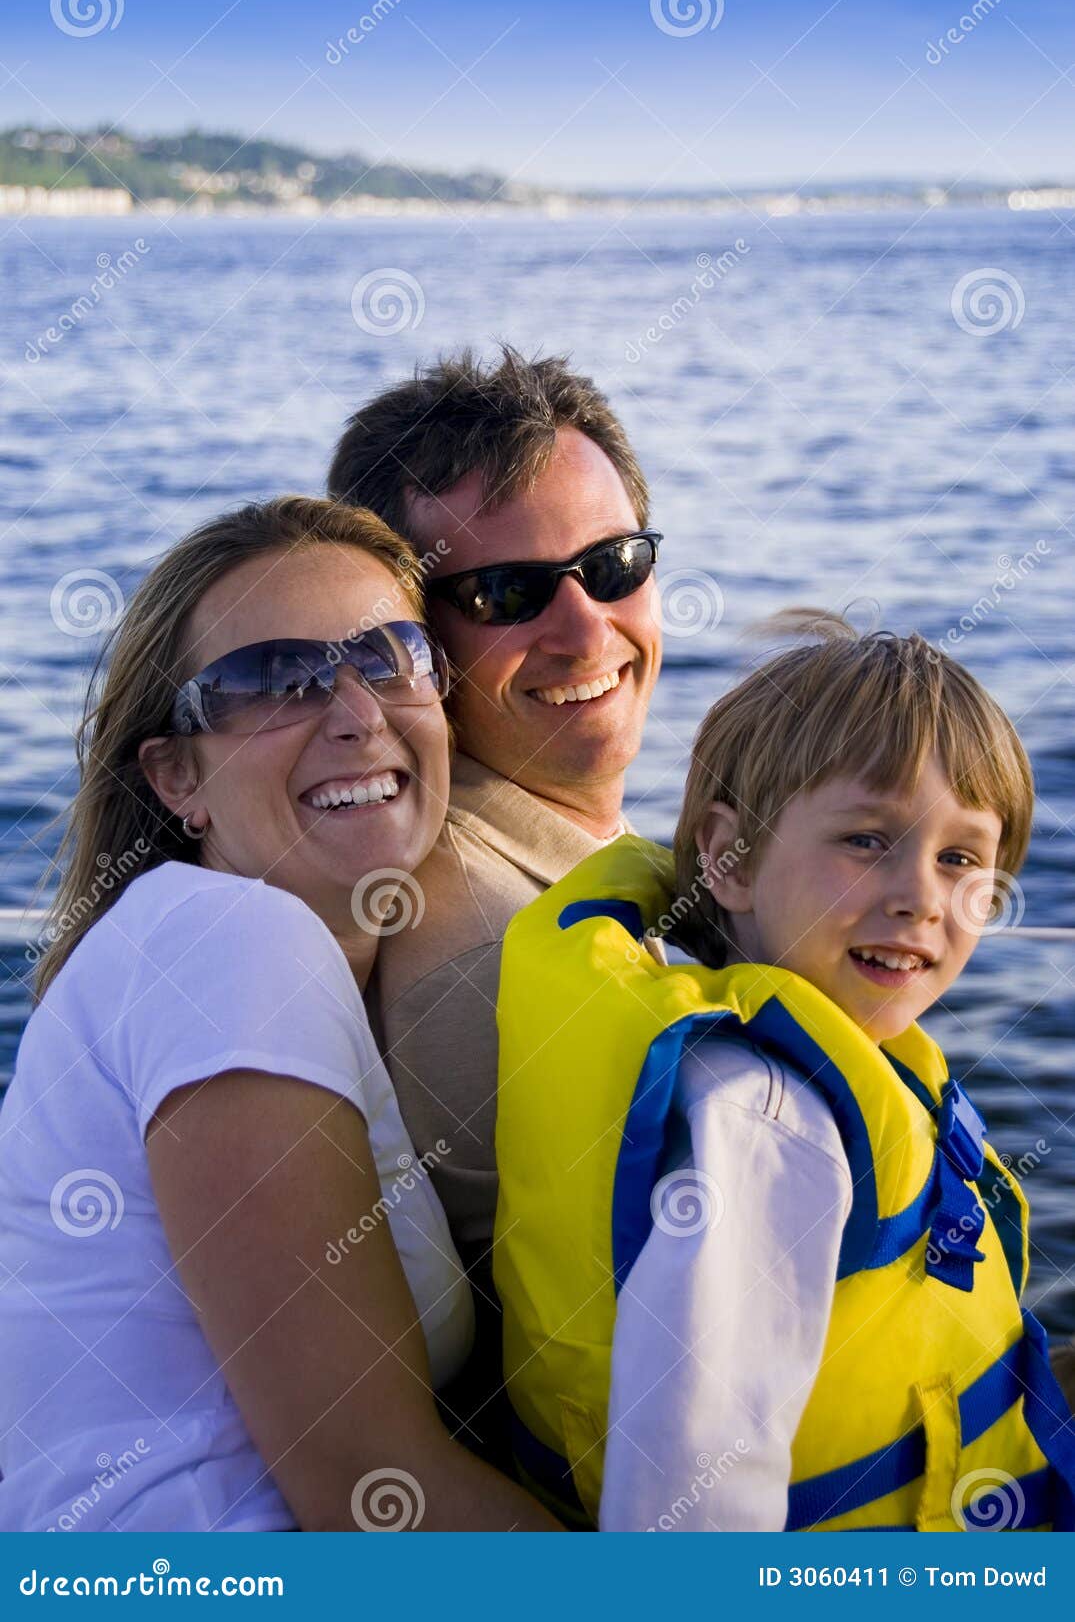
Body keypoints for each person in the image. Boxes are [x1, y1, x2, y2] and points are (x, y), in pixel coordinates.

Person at [0, 496, 557, 1532]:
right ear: (178, 779)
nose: (357, 713)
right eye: (271, 680)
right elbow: (375, 1497)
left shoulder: (278, 977)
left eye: (395, 656)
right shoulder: (228, 942)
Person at [494, 610, 1075, 1531]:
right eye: (866, 841)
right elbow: (692, 1514)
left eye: (959, 857)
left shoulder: (752, 1043)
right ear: (727, 858)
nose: (920, 898)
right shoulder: (764, 1123)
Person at [328, 348, 663, 1456]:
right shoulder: (490, 943)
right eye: (510, 594)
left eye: (613, 565)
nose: (585, 630)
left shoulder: (571, 867)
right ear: (409, 648)